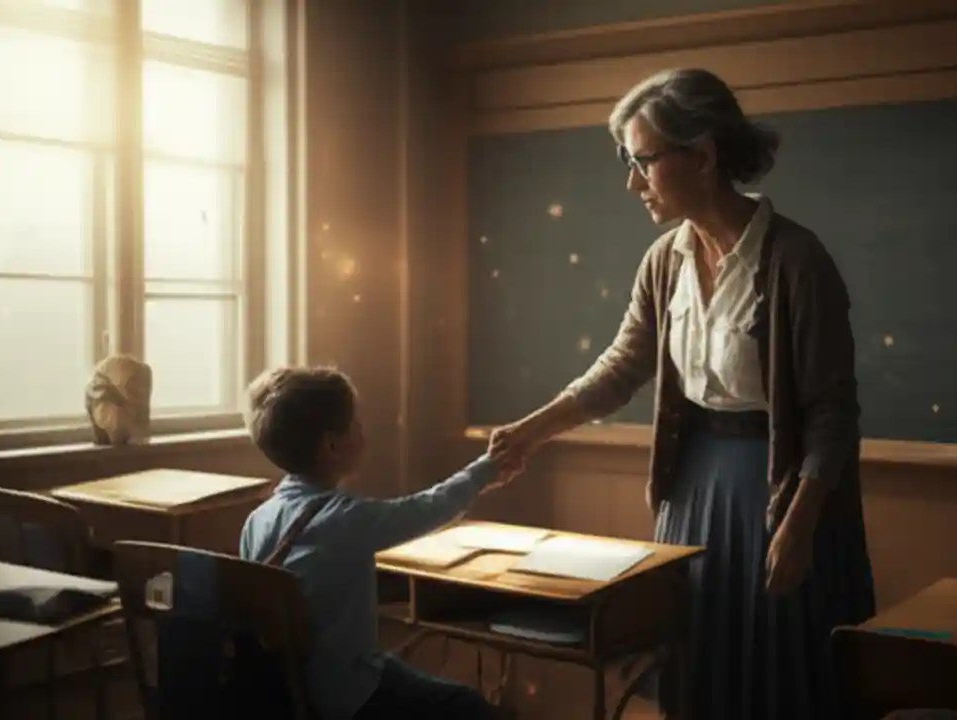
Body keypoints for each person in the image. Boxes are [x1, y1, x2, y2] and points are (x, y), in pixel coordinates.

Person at [488, 68, 875, 719]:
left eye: (643, 161)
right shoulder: (664, 260)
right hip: (694, 482)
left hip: (781, 490)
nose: (632, 182)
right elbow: (620, 369)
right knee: (699, 663)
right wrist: (529, 431)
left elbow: (833, 415)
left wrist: (802, 523)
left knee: (779, 671)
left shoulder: (797, 262)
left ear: (701, 155)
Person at [240, 366, 522, 720]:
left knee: (393, 665)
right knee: (470, 707)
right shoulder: (347, 518)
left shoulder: (257, 521)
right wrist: (487, 468)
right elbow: (429, 508)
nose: (363, 432)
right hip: (347, 695)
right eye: (355, 425)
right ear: (331, 445)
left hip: (287, 692)